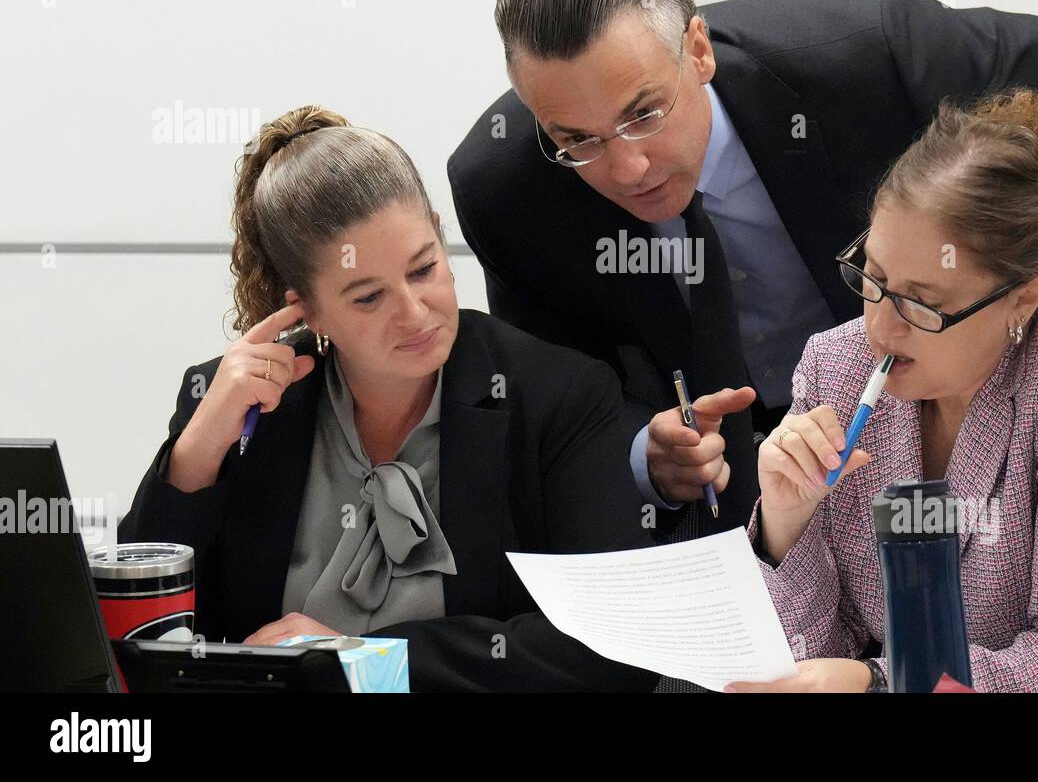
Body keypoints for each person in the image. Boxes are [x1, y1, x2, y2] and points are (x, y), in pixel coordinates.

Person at [449, 0, 1038, 545]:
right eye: (576, 140)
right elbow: (559, 394)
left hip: (927, 430)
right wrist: (641, 450)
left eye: (644, 113)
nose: (627, 167)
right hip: (726, 519)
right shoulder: (506, 188)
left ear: (697, 51)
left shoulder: (865, 55)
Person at [118, 105, 658, 692]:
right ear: (307, 309)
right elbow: (138, 645)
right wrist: (196, 452)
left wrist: (357, 663)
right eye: (368, 297)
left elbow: (612, 645)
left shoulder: (558, 395)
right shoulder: (244, 408)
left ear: (437, 231)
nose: (413, 313)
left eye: (424, 269)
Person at [725, 90, 1038, 693]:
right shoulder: (836, 367)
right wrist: (784, 525)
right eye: (873, 279)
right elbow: (811, 654)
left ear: (1024, 299)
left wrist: (883, 682)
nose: (879, 327)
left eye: (922, 303)